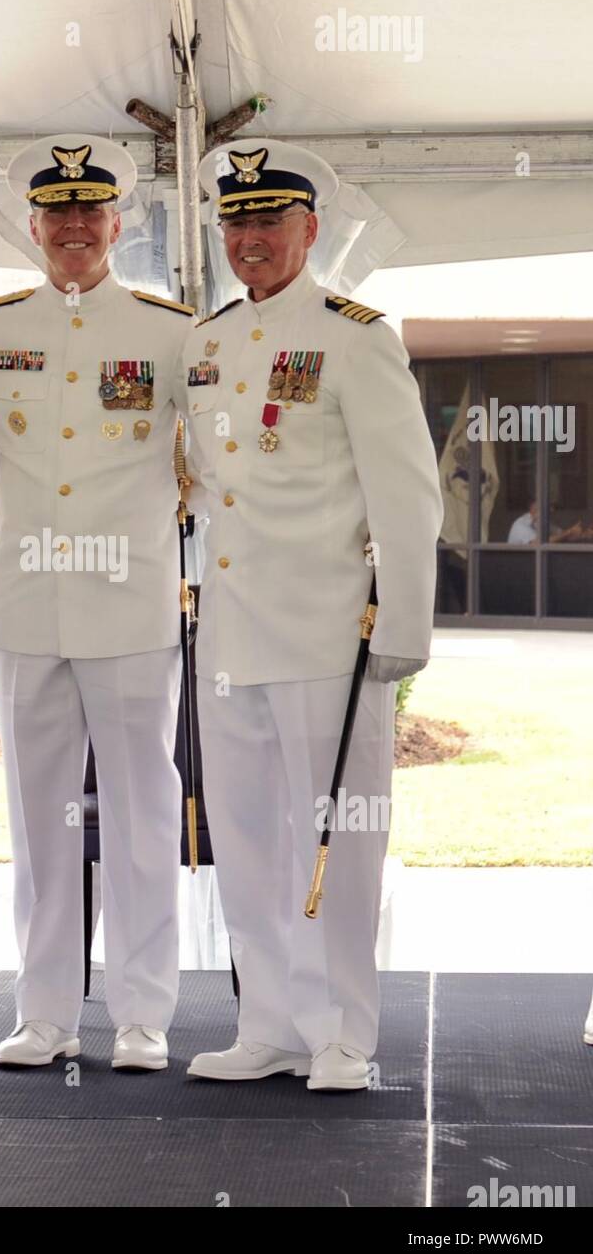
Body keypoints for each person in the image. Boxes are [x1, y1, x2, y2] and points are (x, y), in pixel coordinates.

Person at [178, 139, 443, 1090]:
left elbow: (406, 493)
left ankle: (344, 1035)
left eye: (268, 220)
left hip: (330, 631)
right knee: (246, 836)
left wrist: (404, 624)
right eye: (235, 222)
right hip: (230, 633)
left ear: (308, 229)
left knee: (339, 833)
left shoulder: (354, 334)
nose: (250, 238)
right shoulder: (202, 343)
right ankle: (270, 1024)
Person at [0, 134, 193, 1071]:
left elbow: (202, 453)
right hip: (28, 601)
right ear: (33, 225)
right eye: (56, 212)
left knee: (142, 812)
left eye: (89, 211)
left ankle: (143, 1015)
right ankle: (45, 1013)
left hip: (129, 602)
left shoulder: (169, 332)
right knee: (38, 813)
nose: (72, 226)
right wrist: (21, 515)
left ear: (117, 222)